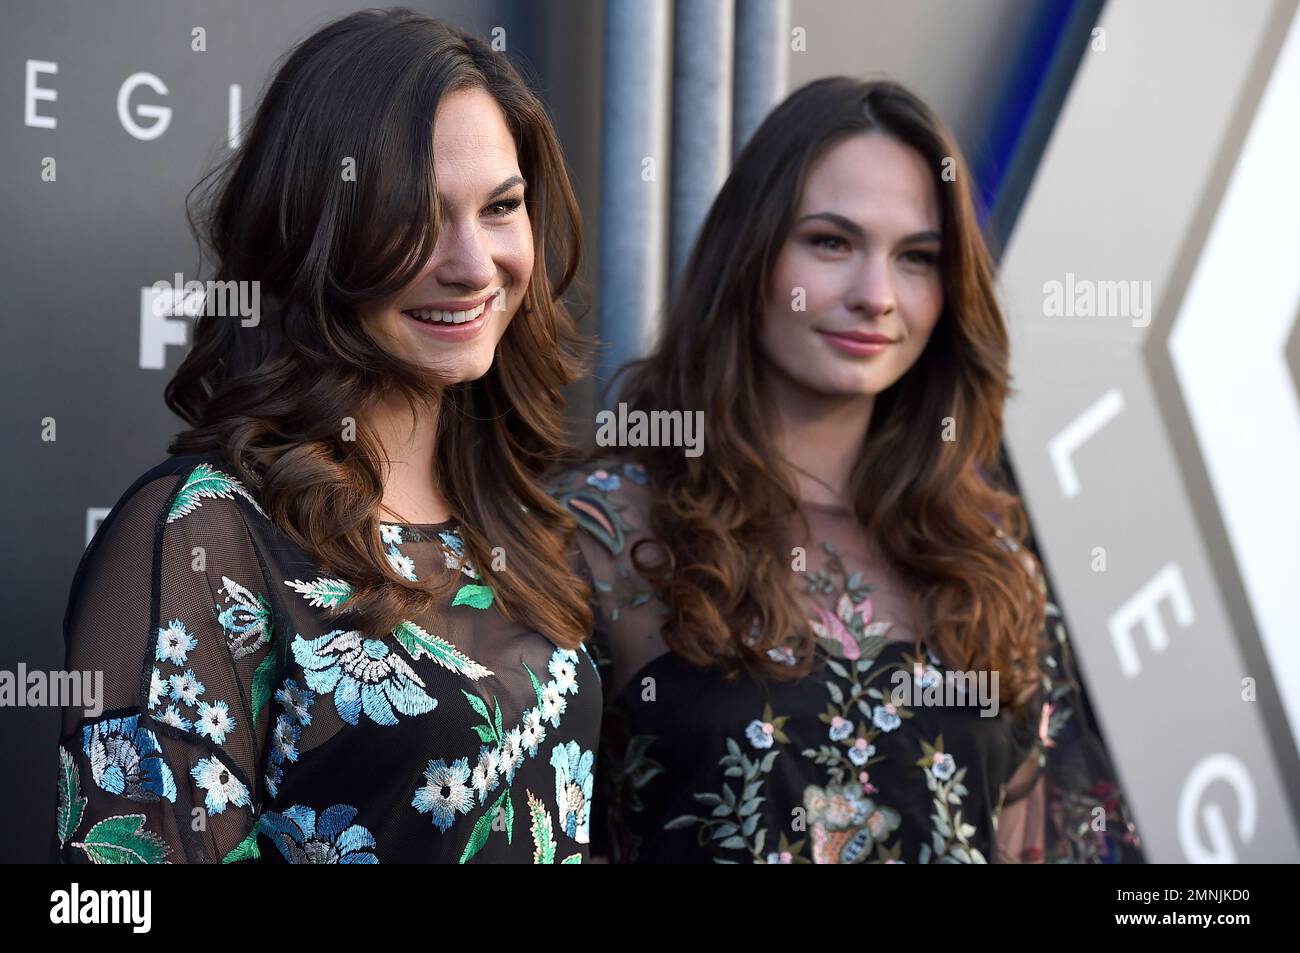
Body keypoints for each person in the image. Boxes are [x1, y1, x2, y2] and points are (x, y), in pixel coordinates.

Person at [53, 9, 599, 864]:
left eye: (501, 207)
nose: (471, 263)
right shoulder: (207, 535)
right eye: (412, 215)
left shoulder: (518, 512)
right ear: (312, 232)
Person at [550, 77, 1143, 864]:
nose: (876, 296)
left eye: (918, 258)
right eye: (831, 242)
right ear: (750, 255)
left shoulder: (988, 558)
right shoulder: (597, 533)